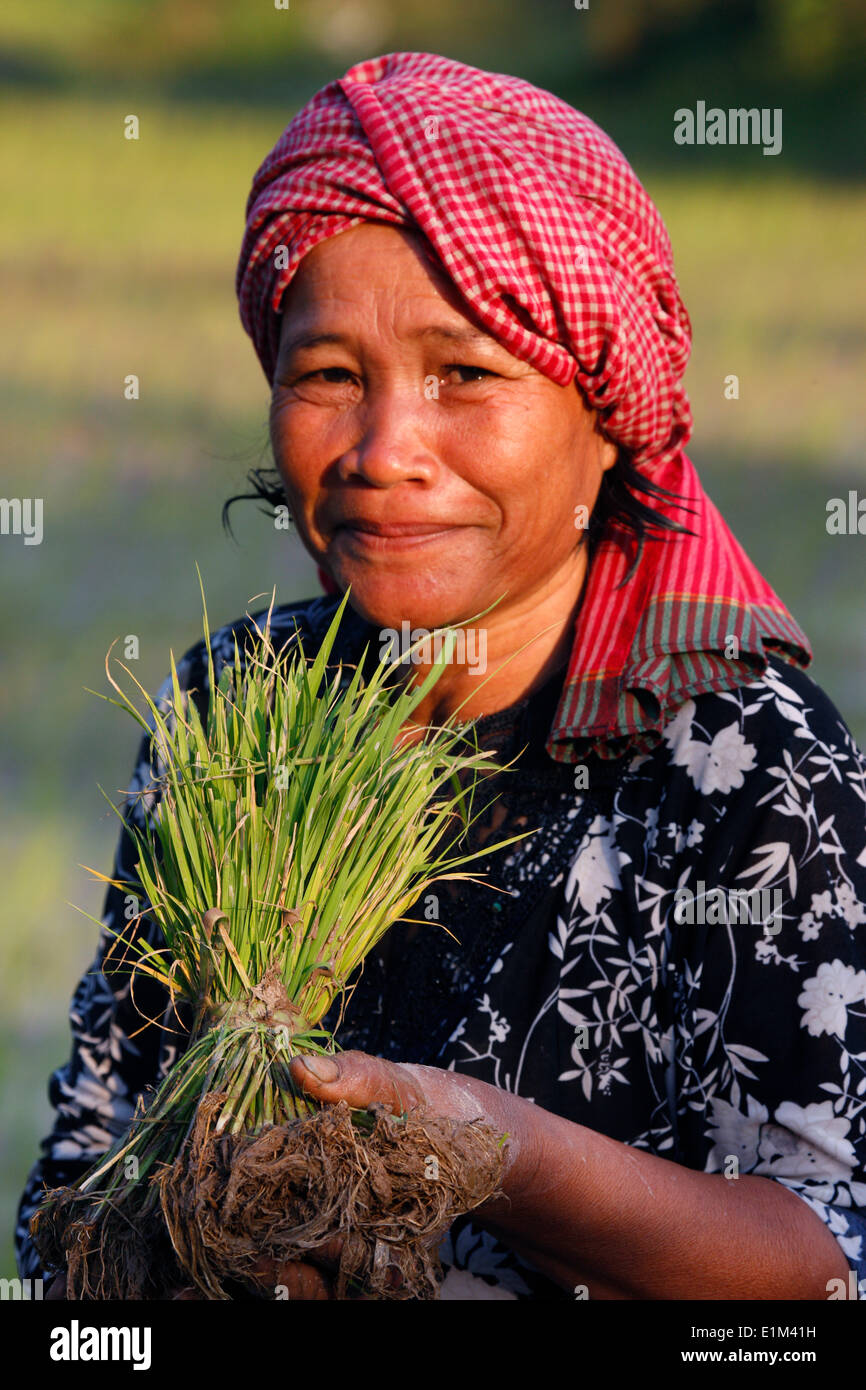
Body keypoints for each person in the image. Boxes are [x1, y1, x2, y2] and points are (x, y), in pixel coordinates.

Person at [17, 51, 866, 1301]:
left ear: (605, 412)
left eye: (464, 373)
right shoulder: (231, 717)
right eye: (326, 376)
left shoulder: (745, 762)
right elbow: (87, 1169)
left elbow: (820, 1262)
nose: (383, 450)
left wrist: (486, 1151)